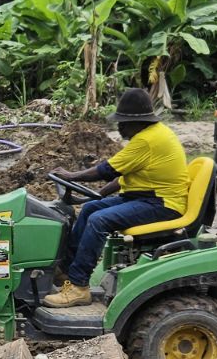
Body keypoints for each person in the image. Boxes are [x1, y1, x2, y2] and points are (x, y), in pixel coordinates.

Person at [42, 88, 189, 307]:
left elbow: (107, 170)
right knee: (92, 208)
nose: (118, 126)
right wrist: (97, 196)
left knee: (98, 220)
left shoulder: (147, 141)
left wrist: (72, 176)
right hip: (146, 197)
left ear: (137, 121)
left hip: (162, 204)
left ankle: (79, 287)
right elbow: (123, 176)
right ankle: (65, 273)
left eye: (123, 122)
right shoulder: (151, 135)